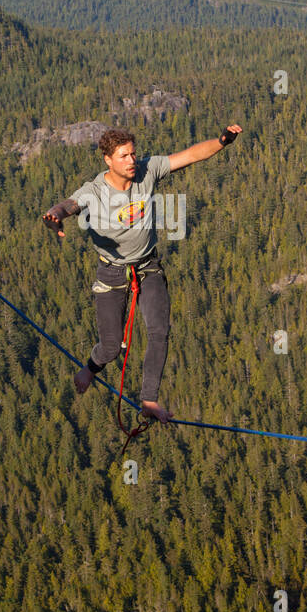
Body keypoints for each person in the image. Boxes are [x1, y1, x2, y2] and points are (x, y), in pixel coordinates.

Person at [42, 124, 242, 423]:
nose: (132, 160)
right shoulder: (94, 191)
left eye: (133, 154)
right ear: (108, 160)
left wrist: (222, 141)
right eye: (124, 156)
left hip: (148, 267)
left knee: (159, 332)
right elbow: (69, 205)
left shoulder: (147, 171)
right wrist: (55, 217)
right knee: (110, 347)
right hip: (111, 274)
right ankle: (90, 368)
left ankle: (148, 399)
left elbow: (189, 155)